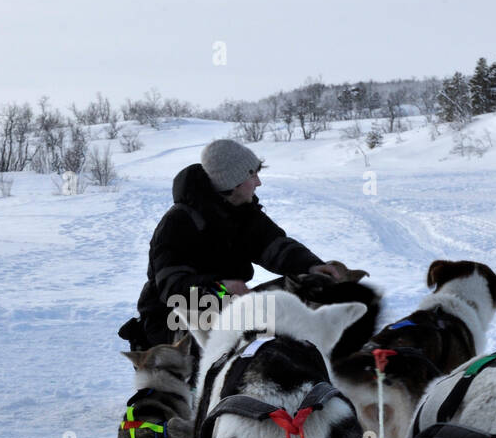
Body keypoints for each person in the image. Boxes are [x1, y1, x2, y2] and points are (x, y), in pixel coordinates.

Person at [119, 139, 346, 354]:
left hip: (230, 303)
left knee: (312, 287)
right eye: (253, 175)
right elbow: (173, 287)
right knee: (235, 340)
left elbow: (274, 245)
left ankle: (320, 361)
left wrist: (312, 266)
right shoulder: (178, 222)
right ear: (233, 182)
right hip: (175, 317)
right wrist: (220, 288)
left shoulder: (242, 211)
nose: (259, 182)